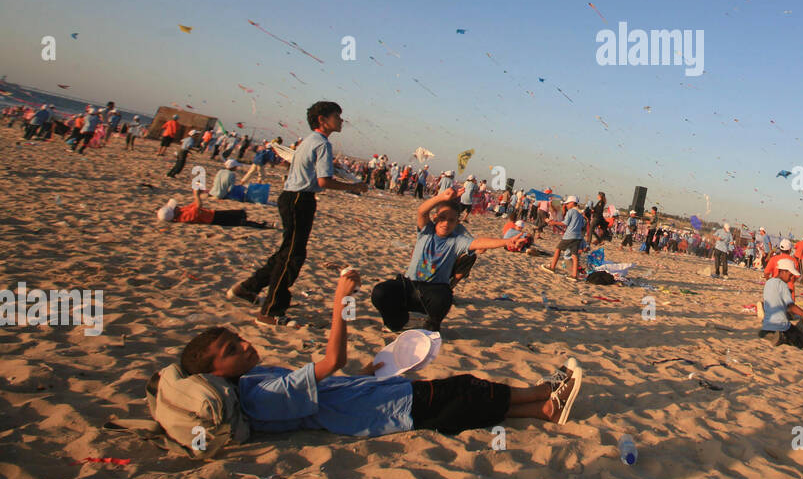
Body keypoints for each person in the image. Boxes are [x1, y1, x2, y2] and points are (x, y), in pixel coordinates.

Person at [182, 269, 583, 440]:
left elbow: (324, 384)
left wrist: (364, 370)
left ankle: (541, 410)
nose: (246, 346)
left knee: (458, 410)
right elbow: (328, 364)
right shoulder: (255, 394)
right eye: (232, 351)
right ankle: (544, 389)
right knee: (467, 389)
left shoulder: (254, 381)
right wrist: (341, 302)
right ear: (216, 374)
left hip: (370, 400)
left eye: (239, 339)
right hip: (378, 410)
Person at [228, 101, 366, 326]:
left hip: (291, 197)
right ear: (322, 120)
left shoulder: (308, 141)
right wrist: (354, 187)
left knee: (287, 250)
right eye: (337, 116)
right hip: (300, 199)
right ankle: (271, 311)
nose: (341, 121)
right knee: (292, 256)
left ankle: (247, 288)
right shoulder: (321, 144)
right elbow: (323, 181)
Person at [371, 188, 531, 333]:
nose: (446, 223)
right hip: (409, 285)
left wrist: (505, 242)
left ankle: (430, 327)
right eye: (442, 218)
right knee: (380, 292)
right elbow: (421, 211)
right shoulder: (426, 232)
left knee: (444, 297)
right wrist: (441, 197)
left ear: (457, 223)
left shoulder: (457, 240)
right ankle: (398, 322)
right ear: (435, 218)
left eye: (451, 220)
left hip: (432, 293)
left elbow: (479, 242)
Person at [759, 258, 803, 348]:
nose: (791, 277)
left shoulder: (769, 282)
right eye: (790, 274)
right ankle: (782, 338)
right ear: (783, 272)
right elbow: (792, 307)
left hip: (768, 322)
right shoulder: (783, 285)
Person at [159, 187, 272, 228]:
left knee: (239, 214)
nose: (177, 207)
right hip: (212, 219)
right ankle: (261, 225)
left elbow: (194, 205)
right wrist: (196, 195)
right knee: (238, 221)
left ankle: (255, 222)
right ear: (173, 214)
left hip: (212, 214)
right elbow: (198, 207)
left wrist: (198, 195)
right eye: (174, 208)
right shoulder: (183, 217)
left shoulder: (181, 212)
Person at [548, 195, 587, 279]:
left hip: (569, 236)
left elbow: (565, 223)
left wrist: (554, 223)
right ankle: (574, 275)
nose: (566, 205)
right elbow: (582, 225)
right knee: (574, 255)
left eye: (568, 203)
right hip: (577, 236)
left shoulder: (571, 211)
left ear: (572, 203)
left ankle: (552, 267)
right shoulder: (580, 213)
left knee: (558, 249)